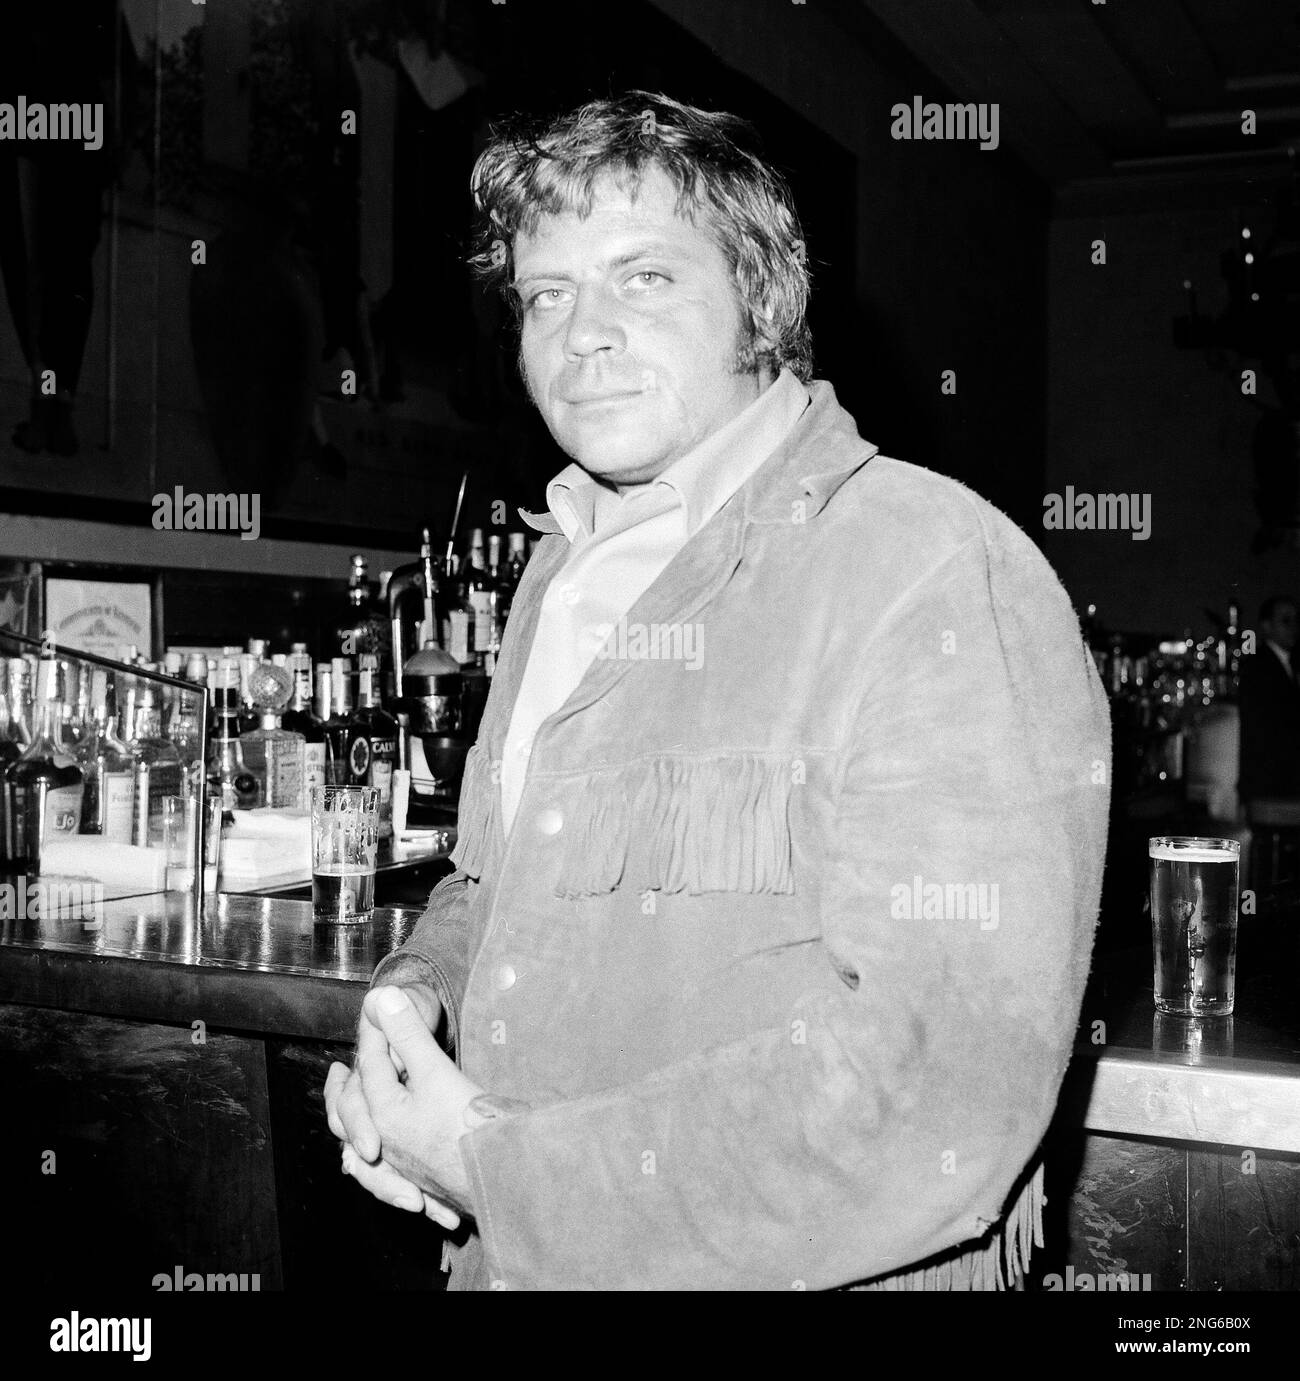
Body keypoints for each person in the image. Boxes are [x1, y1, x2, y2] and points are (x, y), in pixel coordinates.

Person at [324, 92, 1110, 1290]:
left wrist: (495, 1166)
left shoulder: (933, 565)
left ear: (761, 299)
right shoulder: (564, 560)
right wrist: (410, 1013)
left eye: (642, 279)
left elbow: (932, 1086)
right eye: (546, 293)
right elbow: (495, 885)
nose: (579, 333)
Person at [1237, 595, 1300, 804]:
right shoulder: (1259, 668)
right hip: (1271, 782)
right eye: (1285, 621)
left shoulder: (1287, 664)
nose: (1294, 627)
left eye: (1295, 620)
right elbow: (1269, 731)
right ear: (1267, 626)